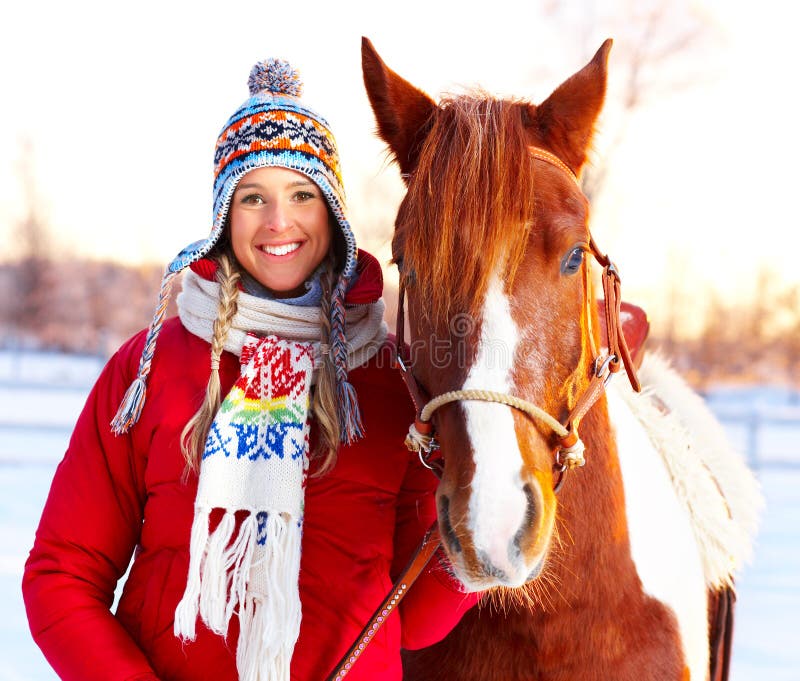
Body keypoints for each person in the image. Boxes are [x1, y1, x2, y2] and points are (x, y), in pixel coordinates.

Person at [22, 57, 477, 681]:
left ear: (333, 213)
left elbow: (414, 617)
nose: (278, 222)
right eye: (252, 197)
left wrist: (475, 549)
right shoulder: (150, 368)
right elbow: (61, 575)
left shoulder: (396, 383)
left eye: (301, 195)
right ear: (223, 217)